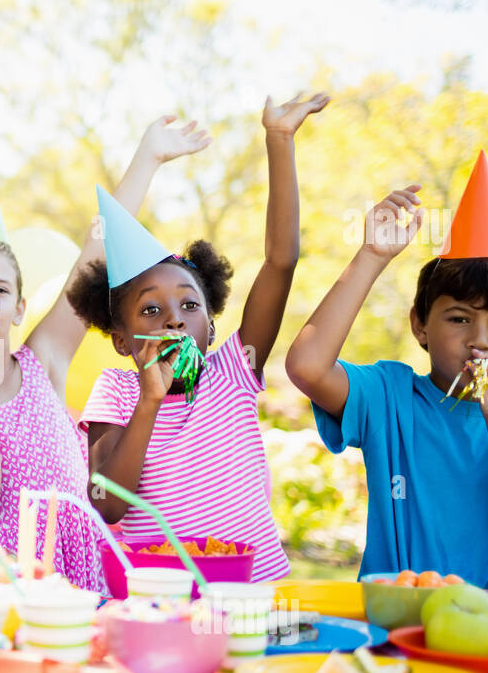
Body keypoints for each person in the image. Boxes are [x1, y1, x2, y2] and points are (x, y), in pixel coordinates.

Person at [0, 114, 212, 592]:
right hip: (4, 585)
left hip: (81, 574)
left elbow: (98, 249)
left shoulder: (43, 358)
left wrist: (148, 157)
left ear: (18, 308)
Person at [285, 152, 488, 590]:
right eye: (459, 318)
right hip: (392, 629)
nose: (480, 340)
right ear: (420, 325)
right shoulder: (389, 397)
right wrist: (372, 255)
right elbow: (307, 367)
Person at [72, 93, 330, 583]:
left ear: (211, 326)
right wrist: (149, 401)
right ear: (122, 340)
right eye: (151, 309)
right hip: (161, 602)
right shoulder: (119, 390)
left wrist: (279, 140)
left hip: (254, 593)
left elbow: (281, 261)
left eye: (190, 306)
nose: (174, 320)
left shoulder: (236, 369)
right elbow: (107, 503)